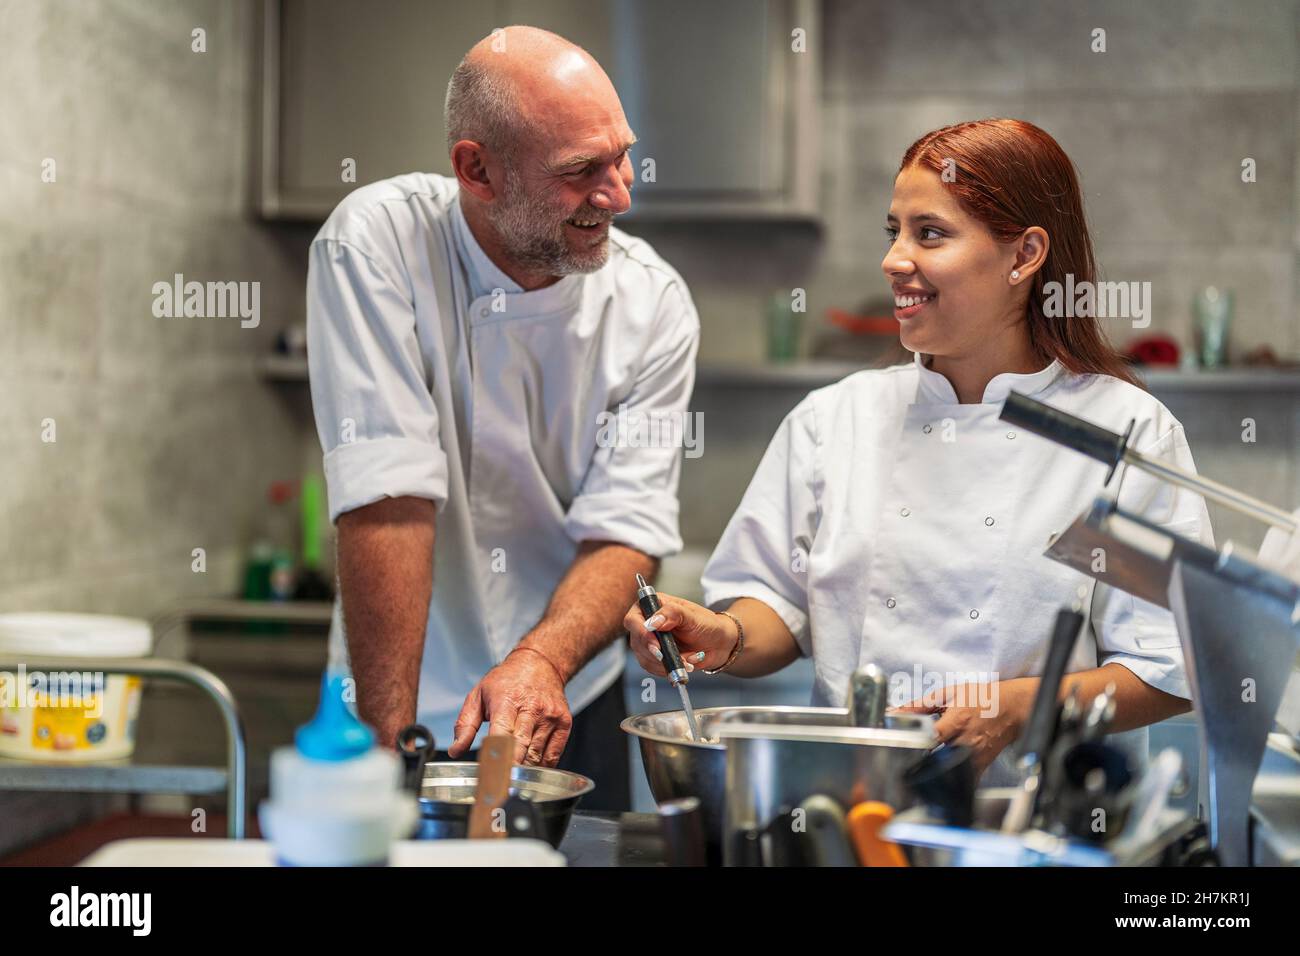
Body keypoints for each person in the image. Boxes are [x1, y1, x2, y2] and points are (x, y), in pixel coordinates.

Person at [624, 118, 1211, 785]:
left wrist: (1014, 709)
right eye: (893, 231)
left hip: (1029, 828)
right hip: (846, 817)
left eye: (929, 233)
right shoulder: (835, 419)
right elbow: (777, 611)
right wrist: (724, 637)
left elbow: (1167, 670)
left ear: (1024, 256)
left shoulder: (1124, 433)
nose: (894, 259)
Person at [307, 26, 699, 809]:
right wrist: (388, 758)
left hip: (567, 691)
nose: (619, 193)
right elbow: (389, 500)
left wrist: (540, 661)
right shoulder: (376, 244)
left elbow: (625, 529)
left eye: (621, 155)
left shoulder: (654, 304)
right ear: (476, 170)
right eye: (581, 171)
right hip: (390, 695)